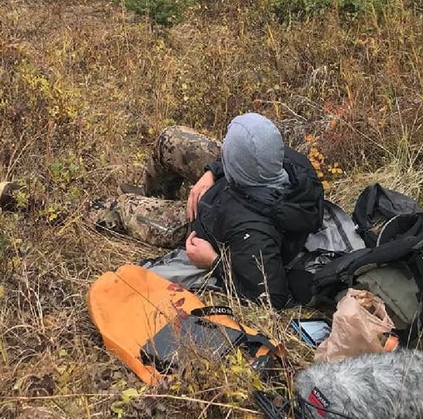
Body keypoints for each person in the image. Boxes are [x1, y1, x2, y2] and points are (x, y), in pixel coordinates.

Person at [89, 112, 326, 309]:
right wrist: (213, 171)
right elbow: (252, 155)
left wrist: (213, 261)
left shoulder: (252, 233)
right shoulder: (295, 165)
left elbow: (272, 296)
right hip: (224, 191)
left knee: (114, 208)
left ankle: (131, 207)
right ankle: (157, 195)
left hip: (199, 226)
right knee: (169, 139)